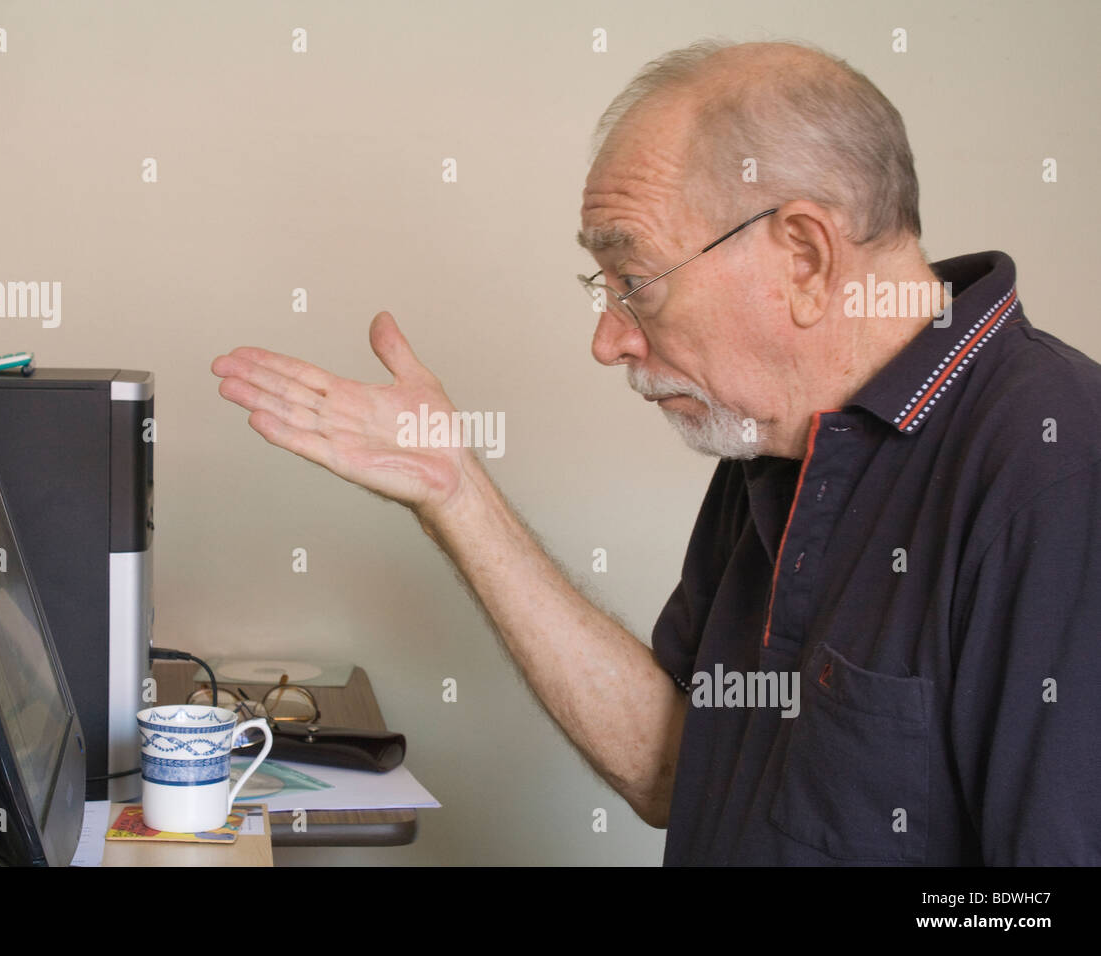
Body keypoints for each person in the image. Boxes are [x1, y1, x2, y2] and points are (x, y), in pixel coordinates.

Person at [211, 39, 1101, 864]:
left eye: (634, 281)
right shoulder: (774, 437)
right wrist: (455, 490)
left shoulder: (1056, 471)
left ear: (803, 256)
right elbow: (676, 770)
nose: (609, 340)